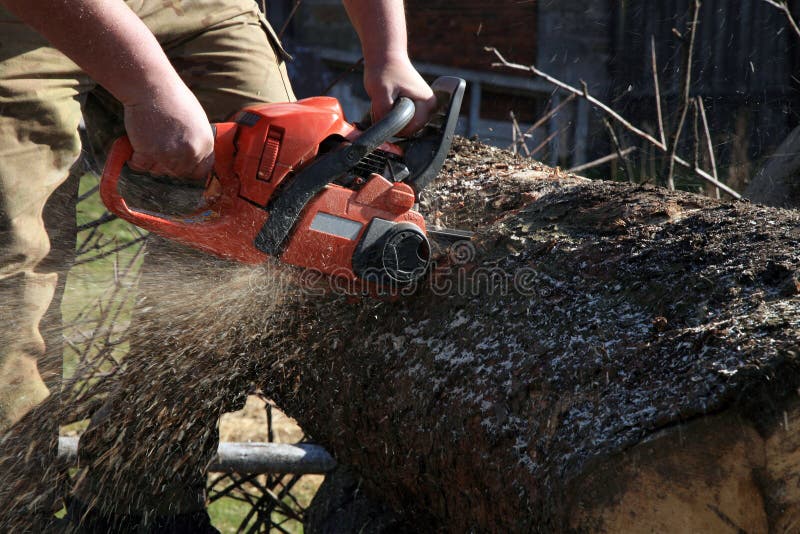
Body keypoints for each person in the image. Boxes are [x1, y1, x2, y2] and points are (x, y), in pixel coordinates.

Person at [0, 0, 436, 530]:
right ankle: (16, 513)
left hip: (199, 8)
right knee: (14, 274)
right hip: (20, 21)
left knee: (275, 202)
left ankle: (140, 498)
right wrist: (146, 88)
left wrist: (387, 51)